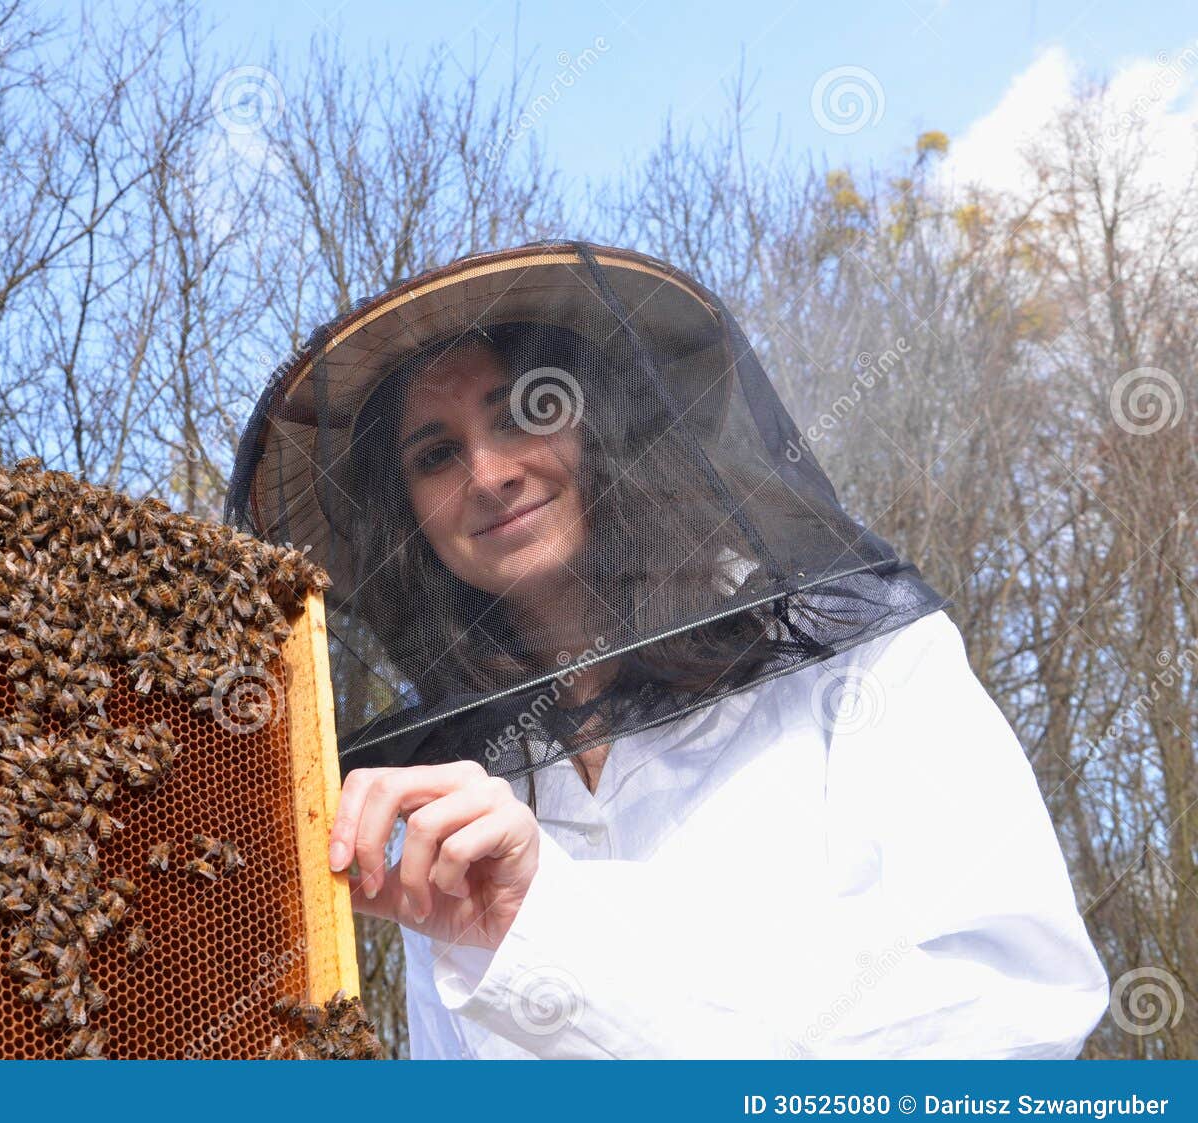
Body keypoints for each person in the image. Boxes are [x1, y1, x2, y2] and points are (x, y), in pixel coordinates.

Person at [225, 240, 1110, 1058]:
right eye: (434, 454)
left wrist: (551, 928)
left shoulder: (856, 662)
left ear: (603, 425)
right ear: (407, 519)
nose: (489, 473)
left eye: (525, 411)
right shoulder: (451, 811)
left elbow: (1019, 1006)